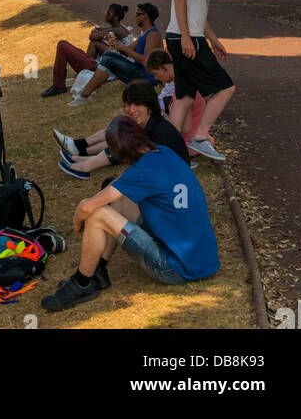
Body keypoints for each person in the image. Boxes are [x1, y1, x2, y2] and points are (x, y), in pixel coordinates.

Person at [40, 114, 219, 311]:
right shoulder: (164, 152)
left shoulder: (142, 170)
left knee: (98, 215)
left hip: (176, 268)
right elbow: (117, 186)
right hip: (201, 258)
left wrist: (79, 223)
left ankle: (81, 283)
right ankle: (98, 271)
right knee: (115, 196)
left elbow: (86, 208)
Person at [164, 0, 235, 162]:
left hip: (183, 36)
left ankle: (167, 154)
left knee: (184, 98)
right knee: (226, 87)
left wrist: (213, 39)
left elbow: (197, 11)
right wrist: (186, 37)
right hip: (187, 39)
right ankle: (201, 137)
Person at [55, 78, 191, 179]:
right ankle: (85, 160)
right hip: (166, 170)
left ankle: (85, 166)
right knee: (122, 129)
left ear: (149, 105)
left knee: (124, 138)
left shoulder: (159, 130)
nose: (130, 110)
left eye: (136, 104)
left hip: (175, 175)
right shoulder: (149, 122)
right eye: (127, 104)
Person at [72, 3, 163, 102]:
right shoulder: (145, 34)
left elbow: (147, 61)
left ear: (145, 16)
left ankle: (84, 95)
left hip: (147, 78)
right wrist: (114, 44)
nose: (135, 17)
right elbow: (126, 51)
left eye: (137, 14)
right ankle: (86, 92)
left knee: (108, 59)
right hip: (139, 72)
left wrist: (124, 48)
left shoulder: (153, 34)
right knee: (108, 54)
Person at [40, 4, 134, 100]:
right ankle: (84, 67)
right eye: (106, 12)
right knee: (87, 44)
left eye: (108, 13)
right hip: (101, 66)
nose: (106, 15)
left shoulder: (117, 31)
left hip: (101, 69)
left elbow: (93, 36)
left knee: (62, 45)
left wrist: (97, 32)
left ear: (116, 17)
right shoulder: (120, 28)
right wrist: (98, 32)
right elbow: (97, 34)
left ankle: (58, 86)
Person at [144, 48, 207, 149]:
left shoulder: (184, 88)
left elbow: (185, 128)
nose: (155, 78)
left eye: (155, 73)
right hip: (191, 141)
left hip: (187, 144)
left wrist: (162, 115)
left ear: (162, 68)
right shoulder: (184, 82)